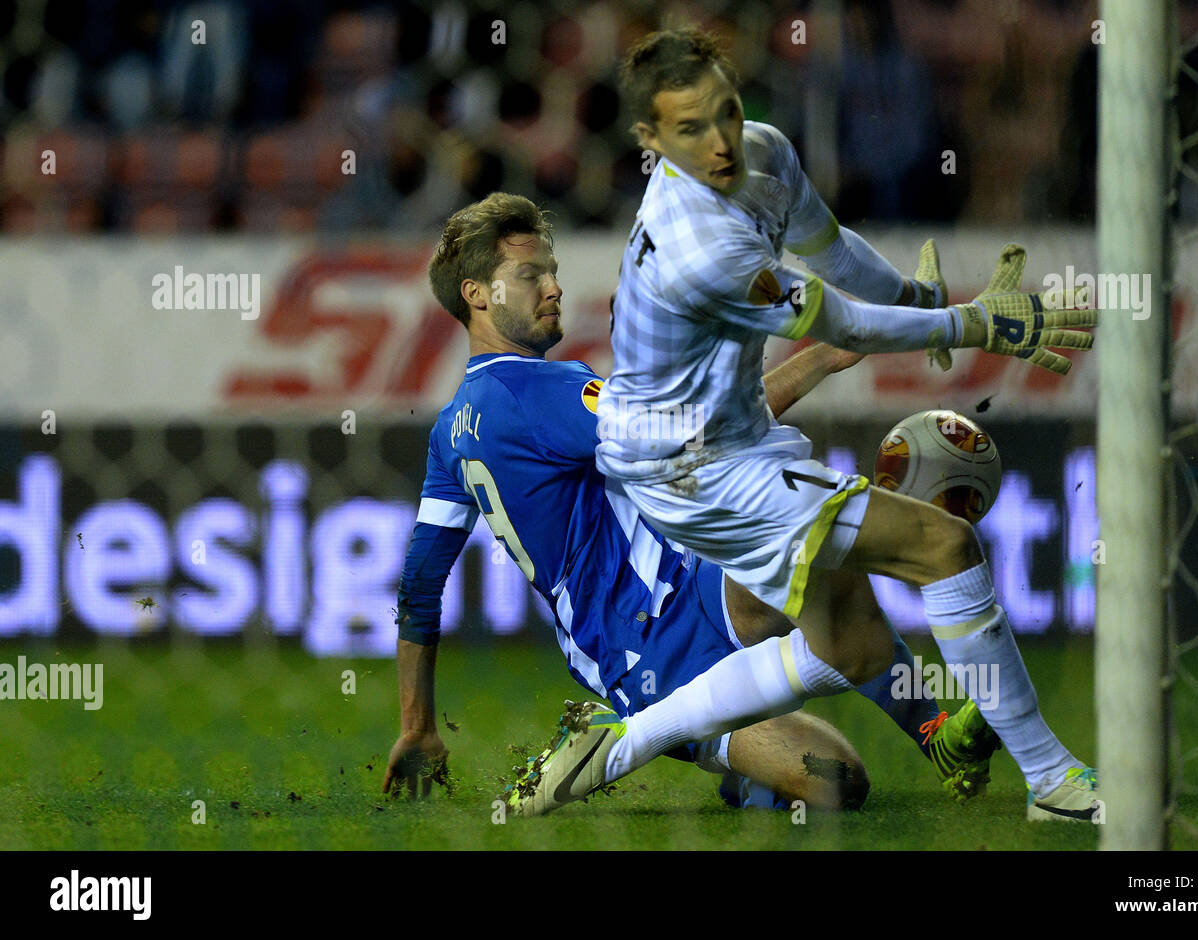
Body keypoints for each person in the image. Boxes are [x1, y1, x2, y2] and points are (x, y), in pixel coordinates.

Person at [517, 27, 1098, 823]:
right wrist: (977, 326)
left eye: (725, 112)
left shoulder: (761, 151)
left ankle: (618, 745)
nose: (719, 142)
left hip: (730, 434)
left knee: (852, 648)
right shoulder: (700, 250)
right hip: (688, 466)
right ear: (649, 139)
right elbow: (844, 324)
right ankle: (1054, 783)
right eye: (690, 129)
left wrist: (921, 300)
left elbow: (831, 251)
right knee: (943, 547)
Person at [382, 192, 998, 812]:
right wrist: (834, 347)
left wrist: (418, 726)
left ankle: (931, 729)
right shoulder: (541, 392)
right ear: (476, 294)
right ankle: (640, 745)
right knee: (836, 773)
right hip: (650, 645)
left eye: (553, 272)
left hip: (681, 597)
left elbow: (419, 585)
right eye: (530, 275)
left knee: (814, 563)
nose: (554, 288)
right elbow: (703, 434)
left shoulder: (451, 433)